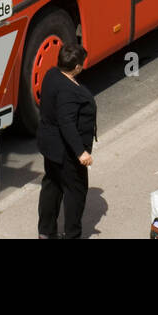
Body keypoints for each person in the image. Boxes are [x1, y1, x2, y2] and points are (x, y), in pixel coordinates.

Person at [37, 43, 97, 239]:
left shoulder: (51, 74)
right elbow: (67, 122)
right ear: (77, 67)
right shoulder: (69, 91)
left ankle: (46, 232)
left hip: (50, 146)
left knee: (52, 186)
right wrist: (81, 152)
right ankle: (72, 234)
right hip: (67, 152)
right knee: (75, 192)